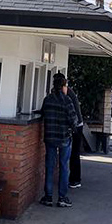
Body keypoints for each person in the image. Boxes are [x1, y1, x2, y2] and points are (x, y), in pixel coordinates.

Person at [40, 73, 78, 207]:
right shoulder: (67, 101)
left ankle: (48, 196)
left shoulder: (47, 100)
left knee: (49, 166)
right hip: (64, 137)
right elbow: (74, 120)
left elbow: (42, 114)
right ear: (63, 86)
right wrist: (72, 128)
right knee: (63, 167)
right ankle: (62, 197)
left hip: (50, 137)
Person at [54, 71, 84, 189]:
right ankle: (75, 179)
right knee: (74, 154)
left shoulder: (66, 91)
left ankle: (75, 179)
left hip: (76, 126)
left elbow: (69, 112)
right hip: (77, 125)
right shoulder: (68, 90)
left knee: (73, 154)